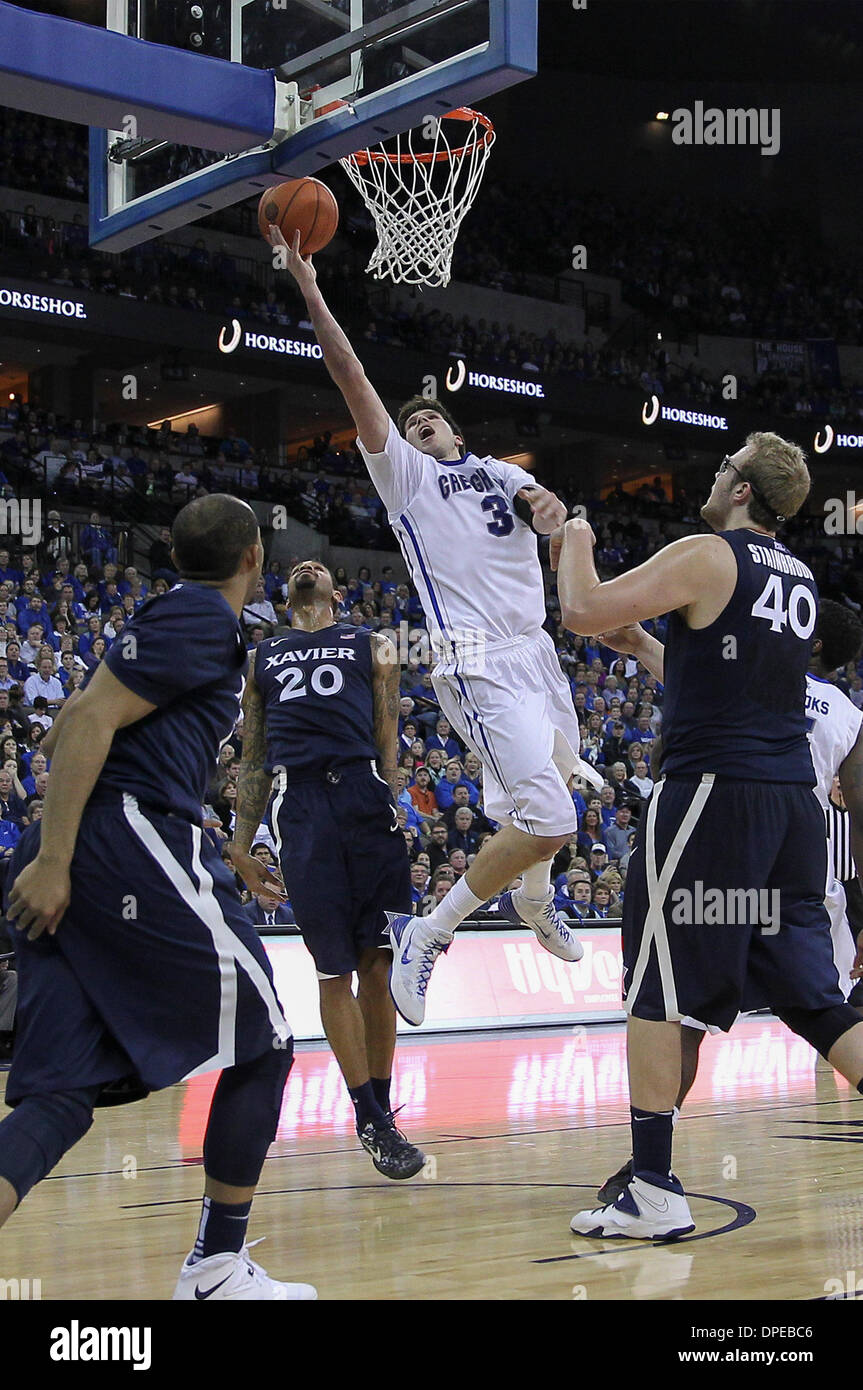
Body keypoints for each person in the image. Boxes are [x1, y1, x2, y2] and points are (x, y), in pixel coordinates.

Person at [273, 225, 603, 1027]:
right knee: (551, 817)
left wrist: (553, 512)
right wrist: (311, 289)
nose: (418, 425)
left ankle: (533, 900)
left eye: (432, 421)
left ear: (460, 433)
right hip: (476, 658)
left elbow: (544, 511)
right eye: (410, 421)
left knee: (557, 803)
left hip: (537, 652)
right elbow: (351, 378)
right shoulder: (408, 479)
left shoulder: (498, 472)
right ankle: (432, 931)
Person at [0, 494, 316, 1300]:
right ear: (254, 558)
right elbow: (84, 724)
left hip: (116, 840)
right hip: (115, 845)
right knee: (266, 1042)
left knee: (62, 1096)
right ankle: (215, 1269)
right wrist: (58, 858)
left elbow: (79, 716)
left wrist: (222, 848)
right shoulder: (203, 618)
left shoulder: (182, 620)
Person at [559, 434, 863, 1242]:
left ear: (739, 490)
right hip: (787, 810)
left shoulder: (707, 551)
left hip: (709, 799)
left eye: (724, 465)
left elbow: (580, 610)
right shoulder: (797, 576)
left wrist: (575, 542)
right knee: (811, 997)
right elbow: (737, 687)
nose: (713, 473)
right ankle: (647, 1182)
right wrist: (653, 648)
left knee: (656, 989)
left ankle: (652, 1189)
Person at [228, 559, 423, 1180]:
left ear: (337, 593)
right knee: (333, 968)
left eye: (319, 567)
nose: (308, 565)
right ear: (288, 598)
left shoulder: (376, 644)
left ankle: (383, 1112)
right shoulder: (264, 657)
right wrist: (240, 842)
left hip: (364, 793)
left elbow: (386, 730)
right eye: (298, 570)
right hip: (301, 801)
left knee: (379, 962)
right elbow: (255, 757)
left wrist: (392, 798)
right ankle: (368, 1115)